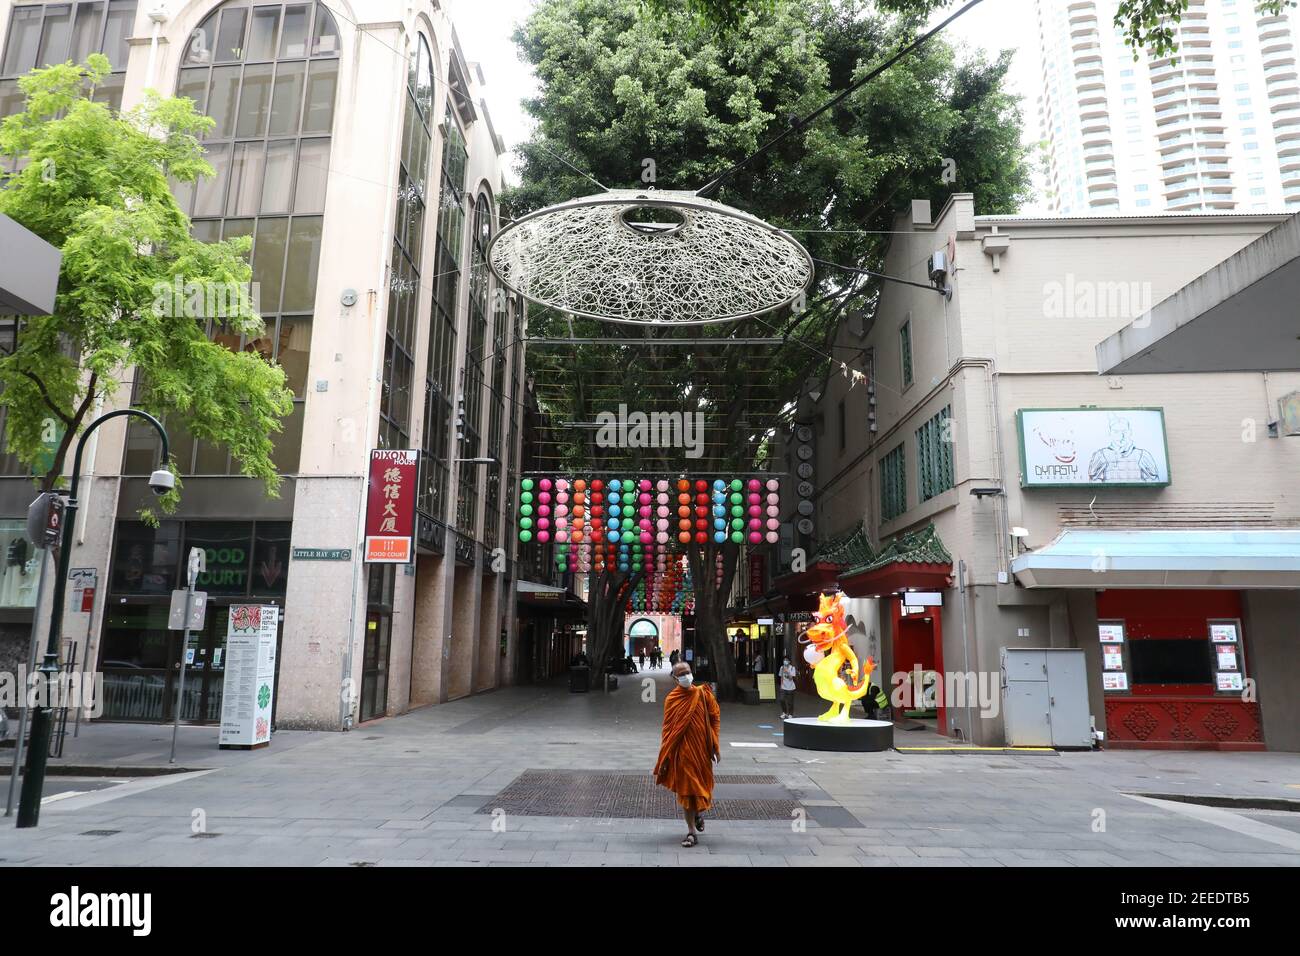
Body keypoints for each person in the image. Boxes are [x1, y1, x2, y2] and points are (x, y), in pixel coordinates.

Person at [654, 662, 720, 848]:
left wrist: (715, 745)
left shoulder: (703, 694)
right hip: (682, 754)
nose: (685, 676)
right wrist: (666, 754)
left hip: (701, 752)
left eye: (687, 672)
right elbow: (667, 729)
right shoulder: (672, 699)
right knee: (686, 790)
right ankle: (691, 832)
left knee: (700, 789)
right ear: (675, 679)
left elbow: (715, 717)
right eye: (681, 674)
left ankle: (698, 813)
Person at [778, 655, 797, 719]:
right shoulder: (781, 668)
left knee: (790, 702)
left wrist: (787, 671)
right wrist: (781, 685)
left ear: (789, 661)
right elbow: (781, 677)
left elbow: (791, 678)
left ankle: (790, 714)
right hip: (783, 687)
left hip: (791, 688)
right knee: (781, 699)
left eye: (786, 660)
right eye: (784, 660)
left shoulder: (792, 668)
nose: (785, 661)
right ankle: (784, 712)